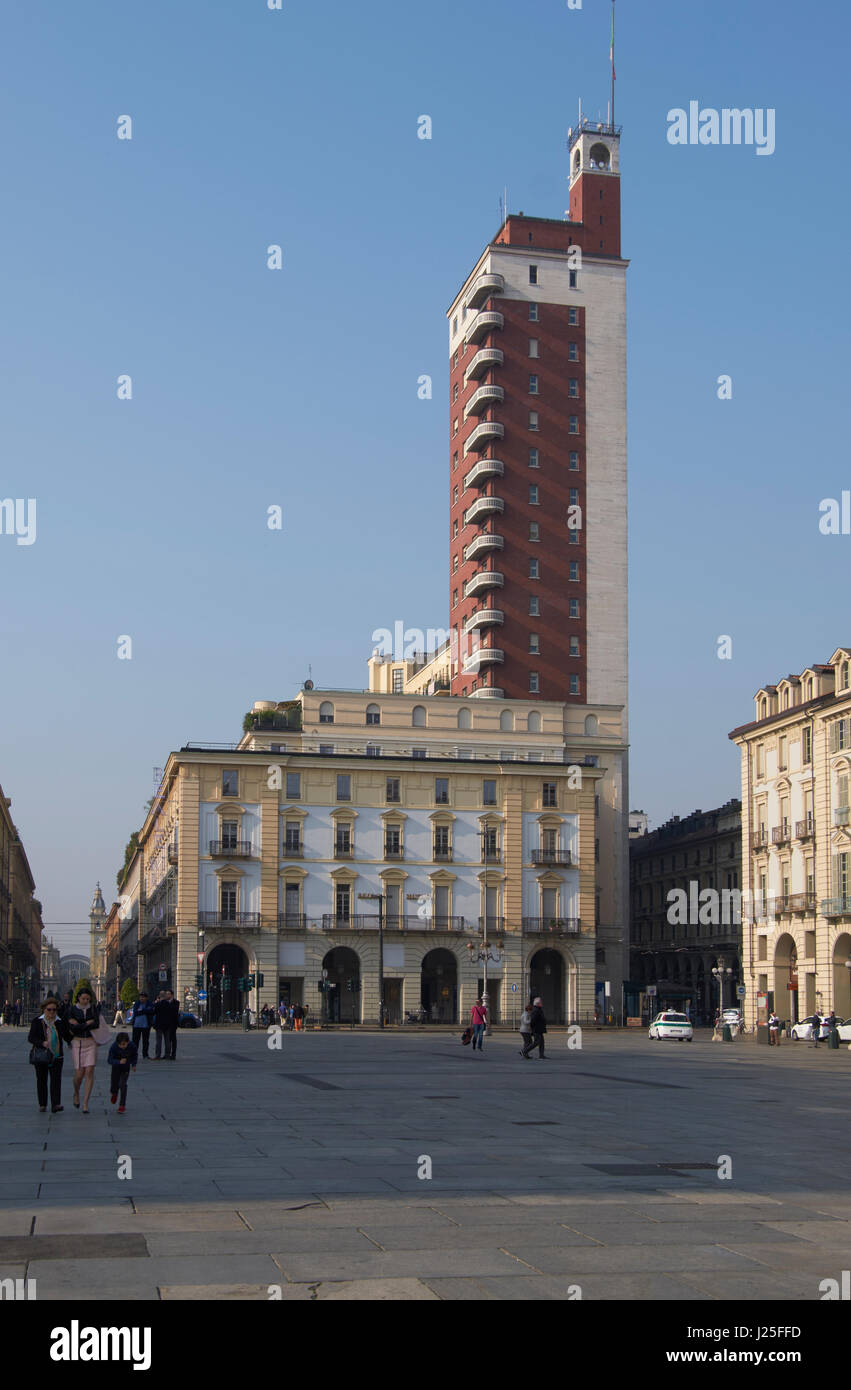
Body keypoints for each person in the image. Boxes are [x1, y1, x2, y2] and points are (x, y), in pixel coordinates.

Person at [28, 996, 71, 1113]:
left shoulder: (60, 1022)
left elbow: (67, 1035)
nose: (52, 1012)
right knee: (41, 1080)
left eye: (54, 1009)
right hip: (42, 1055)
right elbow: (31, 1038)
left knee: (56, 1081)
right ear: (44, 1009)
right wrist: (42, 1042)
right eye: (49, 1009)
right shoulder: (37, 1021)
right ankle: (42, 1104)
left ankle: (55, 1104)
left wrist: (74, 1041)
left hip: (57, 1056)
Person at [68, 988, 102, 1111]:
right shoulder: (72, 1009)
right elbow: (72, 1028)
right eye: (83, 999)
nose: (86, 1001)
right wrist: (87, 1024)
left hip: (91, 1042)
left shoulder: (93, 1008)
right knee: (79, 1074)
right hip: (78, 1043)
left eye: (88, 999)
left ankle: (85, 1103)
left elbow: (96, 1024)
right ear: (78, 998)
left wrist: (79, 1024)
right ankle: (76, 1093)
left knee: (89, 1071)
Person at [107, 1032, 138, 1112]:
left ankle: (122, 1105)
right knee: (114, 1084)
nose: (122, 1046)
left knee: (122, 1085)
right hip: (116, 1067)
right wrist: (118, 1062)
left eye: (124, 1044)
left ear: (128, 1042)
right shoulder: (114, 1047)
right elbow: (109, 1060)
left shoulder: (132, 1046)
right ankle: (114, 1093)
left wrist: (134, 1064)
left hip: (125, 1068)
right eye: (120, 1044)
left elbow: (135, 1055)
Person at [129, 993, 152, 1059]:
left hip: (146, 1025)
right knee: (135, 1041)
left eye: (143, 997)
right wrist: (145, 1010)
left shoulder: (149, 1003)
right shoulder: (137, 1003)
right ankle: (133, 1054)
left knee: (145, 1041)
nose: (142, 998)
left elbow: (151, 1011)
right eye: (141, 997)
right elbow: (135, 1012)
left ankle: (145, 1054)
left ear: (146, 998)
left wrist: (142, 1010)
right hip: (136, 1025)